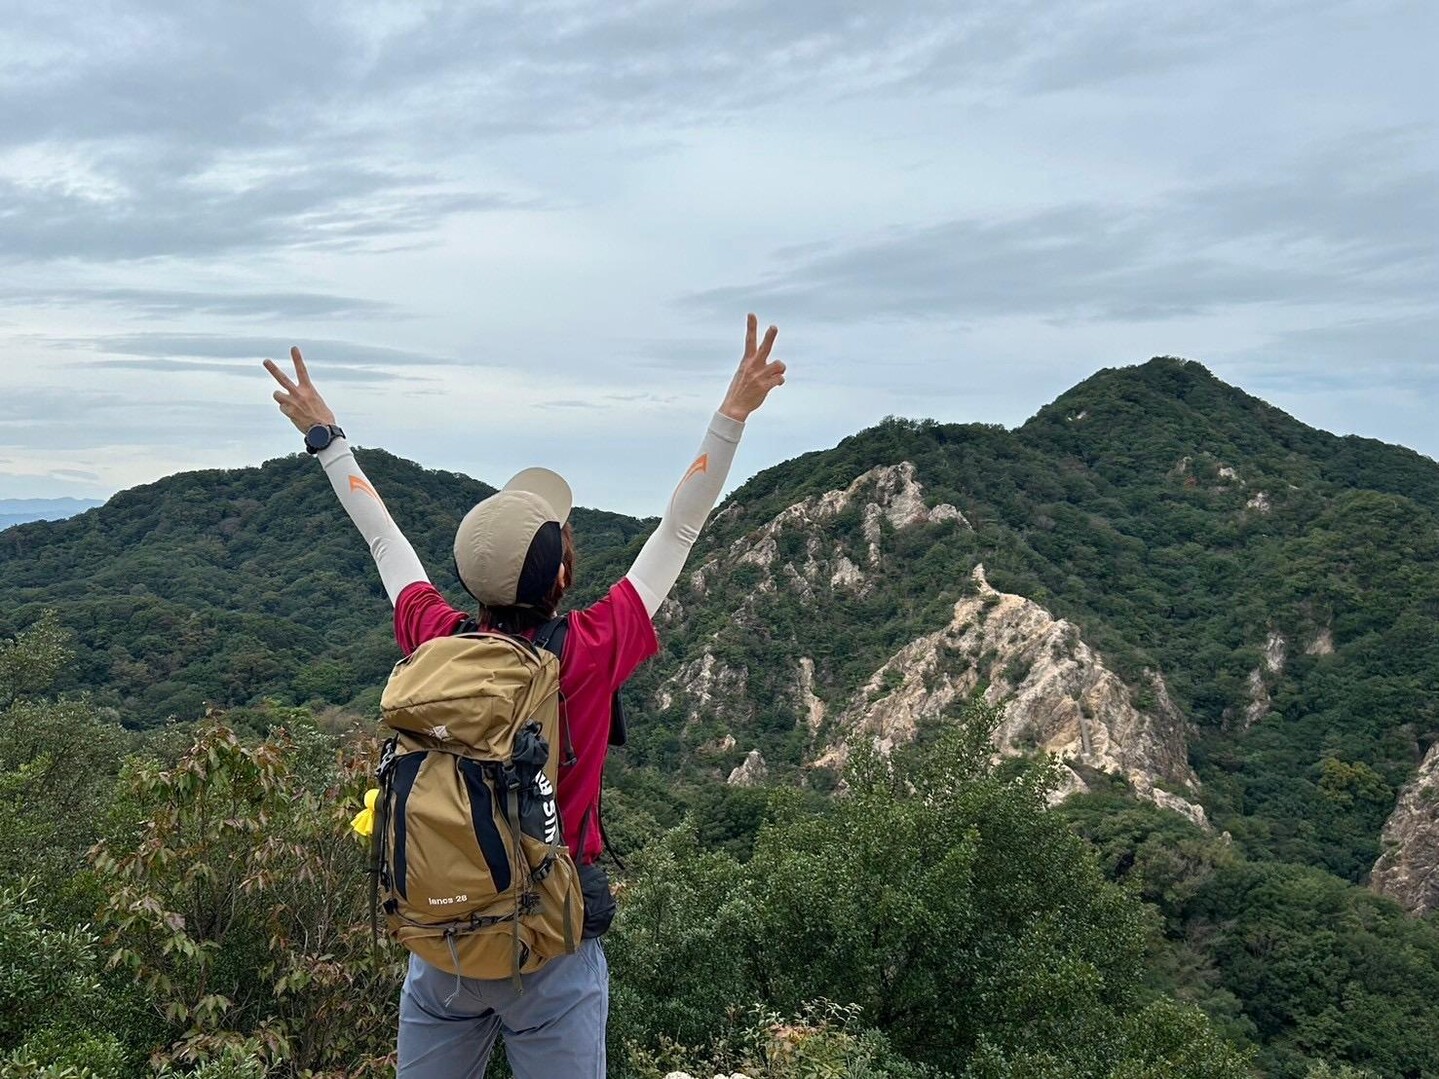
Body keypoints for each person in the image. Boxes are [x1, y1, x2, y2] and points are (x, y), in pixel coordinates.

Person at [262, 314, 786, 1079]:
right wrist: (732, 413)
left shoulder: (434, 640)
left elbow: (383, 539)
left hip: (441, 939)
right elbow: (678, 531)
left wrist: (325, 437)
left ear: (472, 584)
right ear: (563, 581)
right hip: (551, 946)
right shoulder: (590, 651)